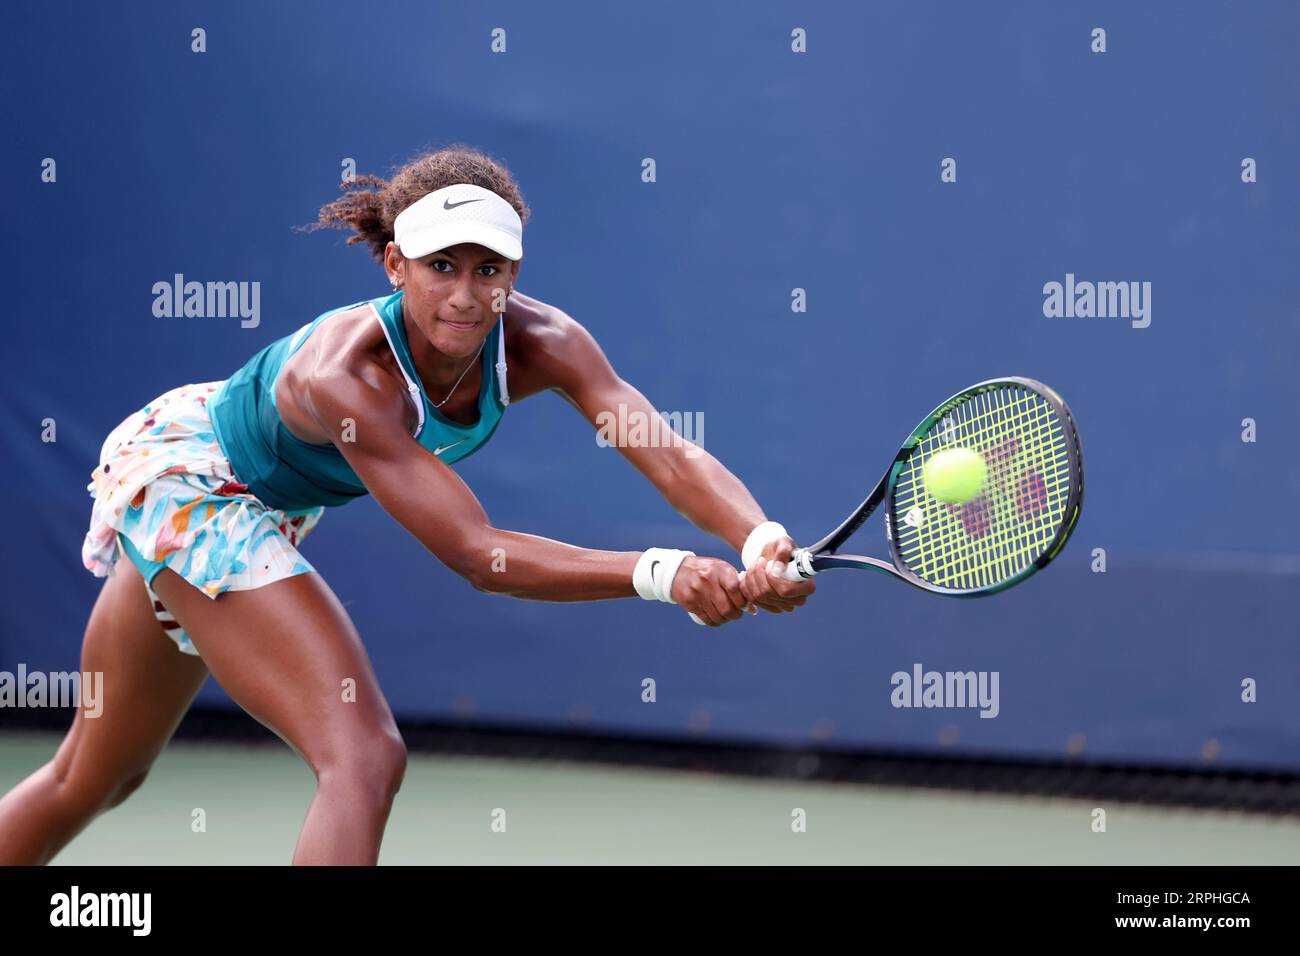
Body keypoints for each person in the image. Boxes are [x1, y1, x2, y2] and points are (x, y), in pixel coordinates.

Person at [0, 145, 814, 865]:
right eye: (441, 267)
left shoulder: (549, 343)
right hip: (191, 481)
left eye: (487, 270)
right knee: (362, 756)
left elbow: (668, 454)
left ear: (515, 275)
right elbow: (475, 553)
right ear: (396, 266)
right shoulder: (346, 374)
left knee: (98, 773)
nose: (464, 295)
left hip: (254, 497)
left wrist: (759, 537)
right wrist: (663, 572)